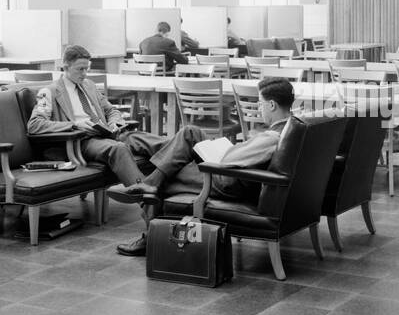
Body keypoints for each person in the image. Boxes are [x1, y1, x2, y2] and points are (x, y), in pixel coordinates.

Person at [112, 76, 296, 257]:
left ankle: (151, 234)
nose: (259, 107)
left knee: (169, 170)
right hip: (237, 176)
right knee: (190, 133)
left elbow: (230, 158)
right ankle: (147, 173)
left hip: (225, 181)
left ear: (272, 105)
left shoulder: (272, 137)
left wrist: (229, 148)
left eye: (260, 103)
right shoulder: (292, 127)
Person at [27, 45, 146, 189]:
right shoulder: (49, 92)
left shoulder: (89, 85)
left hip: (109, 133)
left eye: (87, 69)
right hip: (84, 140)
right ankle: (146, 195)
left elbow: (110, 110)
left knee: (153, 142)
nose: (84, 74)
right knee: (118, 148)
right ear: (66, 67)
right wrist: (74, 125)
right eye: (80, 69)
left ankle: (166, 192)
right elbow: (34, 124)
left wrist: (115, 122)